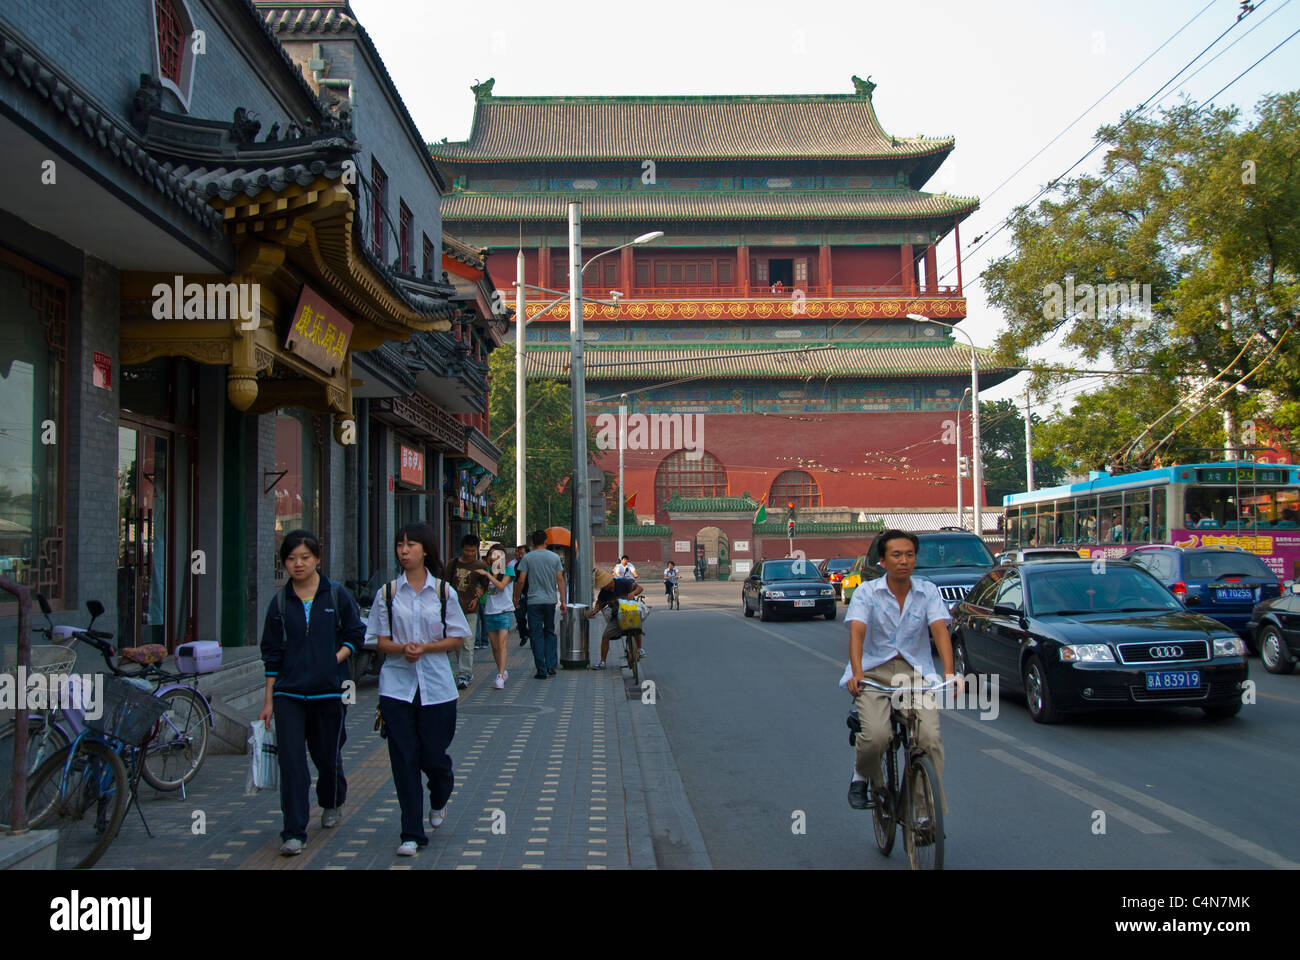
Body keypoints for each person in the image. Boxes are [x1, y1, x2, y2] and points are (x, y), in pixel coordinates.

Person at [367, 523, 472, 857]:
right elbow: (379, 641)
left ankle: (440, 794)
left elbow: (457, 637)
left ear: (425, 550)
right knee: (404, 760)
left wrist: (424, 649)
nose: (404, 550)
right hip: (397, 688)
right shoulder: (387, 594)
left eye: (411, 544)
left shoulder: (443, 593)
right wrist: (402, 650)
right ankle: (411, 833)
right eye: (400, 544)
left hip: (438, 687)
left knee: (433, 758)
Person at [259, 529, 365, 856]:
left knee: (326, 756)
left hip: (329, 692)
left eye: (305, 557)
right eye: (291, 559)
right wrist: (267, 701)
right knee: (292, 762)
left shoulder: (336, 595)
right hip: (288, 695)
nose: (298, 564)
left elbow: (356, 633)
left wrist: (335, 658)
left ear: (317, 559)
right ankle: (294, 831)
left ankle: (332, 800)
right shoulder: (280, 602)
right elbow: (272, 654)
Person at [842, 530, 958, 824]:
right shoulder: (867, 592)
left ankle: (923, 812)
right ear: (882, 560)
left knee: (930, 739)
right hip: (873, 671)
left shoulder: (927, 591)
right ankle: (862, 774)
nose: (904, 561)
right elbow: (857, 632)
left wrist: (949, 672)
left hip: (914, 672)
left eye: (909, 555)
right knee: (877, 737)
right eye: (896, 555)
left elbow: (940, 630)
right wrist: (857, 674)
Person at [514, 530, 566, 678]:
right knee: (550, 632)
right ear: (546, 541)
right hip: (550, 601)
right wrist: (563, 601)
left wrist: (516, 598)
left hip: (533, 602)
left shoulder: (527, 558)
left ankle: (541, 670)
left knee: (536, 635)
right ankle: (551, 666)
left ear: (532, 543)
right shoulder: (554, 557)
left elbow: (521, 580)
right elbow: (560, 579)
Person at [444, 534, 488, 689]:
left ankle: (464, 674)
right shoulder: (452, 564)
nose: (470, 553)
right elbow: (445, 585)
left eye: (473, 550)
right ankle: (464, 671)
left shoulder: (480, 565)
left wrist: (477, 598)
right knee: (457, 643)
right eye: (467, 550)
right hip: (453, 610)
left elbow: (484, 586)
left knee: (468, 643)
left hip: (471, 609)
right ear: (462, 548)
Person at [476, 545, 515, 689]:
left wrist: (488, 575)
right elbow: (482, 590)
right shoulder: (486, 572)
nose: (494, 557)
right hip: (490, 611)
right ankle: (502, 670)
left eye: (497, 555)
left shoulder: (508, 571)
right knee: (494, 647)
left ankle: (499, 676)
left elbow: (501, 586)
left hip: (505, 611)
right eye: (492, 555)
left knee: (501, 644)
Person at [589, 567, 644, 669]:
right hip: (616, 617)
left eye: (604, 585)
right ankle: (602, 661)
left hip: (630, 613)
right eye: (602, 586)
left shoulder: (623, 583)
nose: (604, 587)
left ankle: (639, 649)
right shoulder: (604, 592)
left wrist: (632, 593)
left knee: (637, 628)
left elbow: (639, 588)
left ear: (609, 580)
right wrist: (595, 610)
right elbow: (600, 603)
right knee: (605, 636)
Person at [511, 544, 531, 647]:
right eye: (518, 553)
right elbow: (516, 582)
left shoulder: (532, 564)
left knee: (533, 619)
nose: (520, 556)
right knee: (519, 617)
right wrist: (515, 597)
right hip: (521, 596)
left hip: (532, 596)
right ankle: (525, 634)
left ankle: (534, 639)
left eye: (522, 553)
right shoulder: (516, 566)